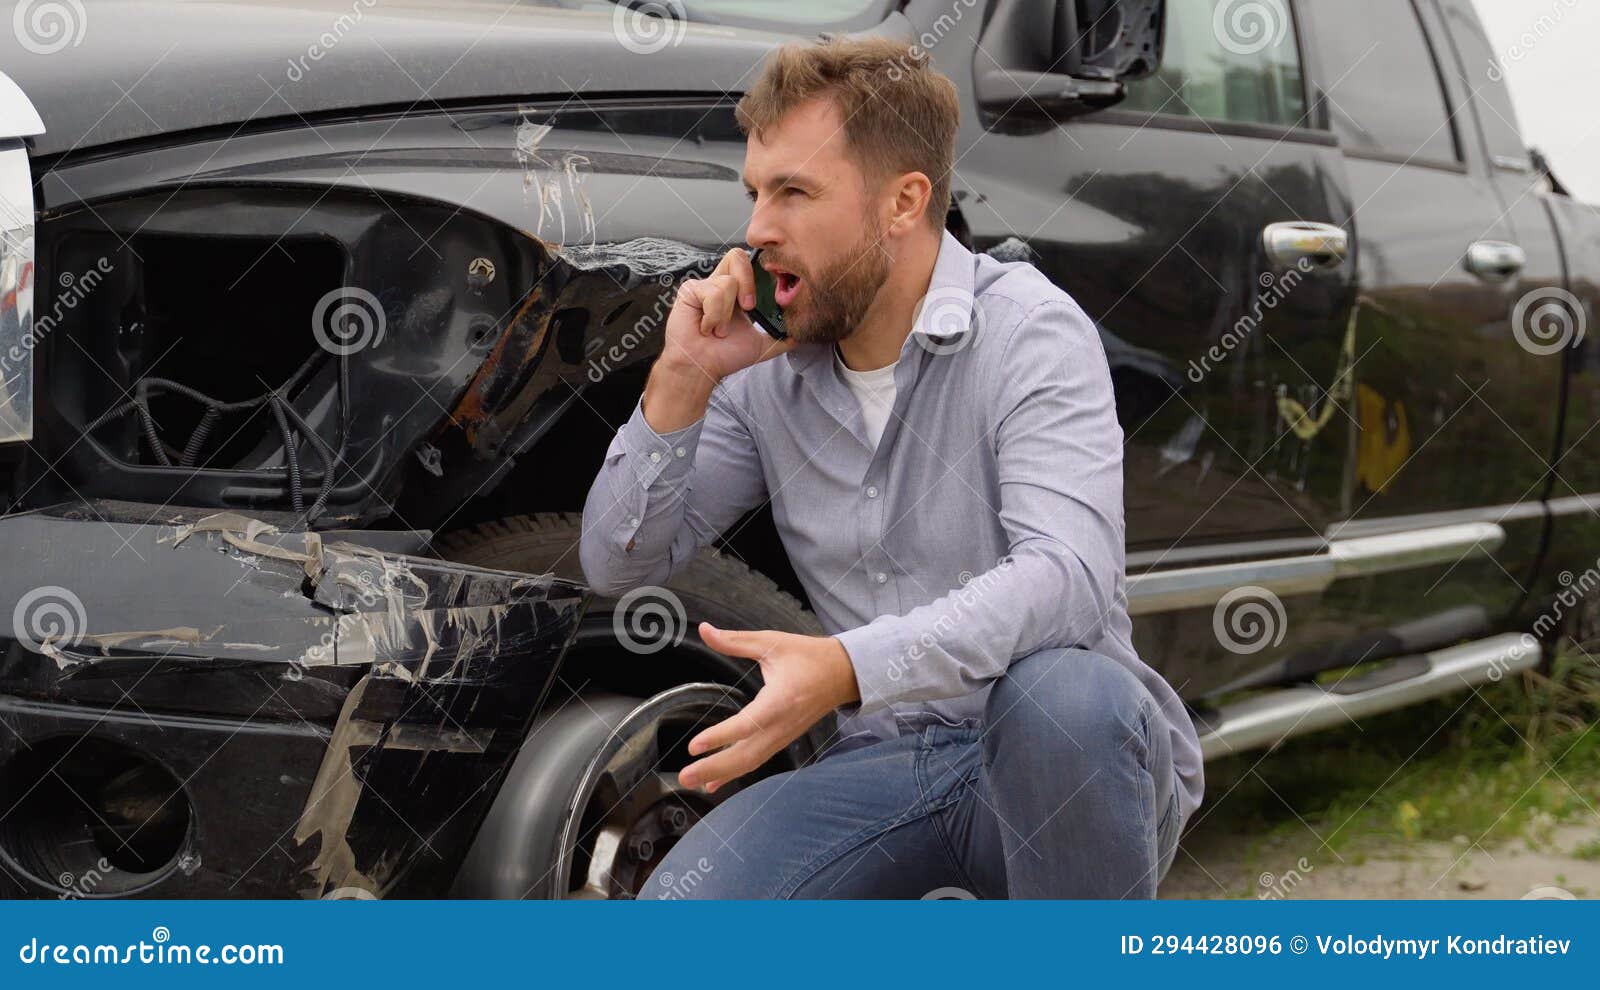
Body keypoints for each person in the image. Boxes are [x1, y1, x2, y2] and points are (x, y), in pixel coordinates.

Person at [578, 35, 1202, 899]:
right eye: (756, 192)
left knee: (1062, 695)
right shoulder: (765, 369)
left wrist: (845, 667)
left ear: (904, 202)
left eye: (795, 191)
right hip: (886, 772)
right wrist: (681, 376)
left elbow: (1067, 580)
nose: (758, 228)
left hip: (1058, 767)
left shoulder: (1030, 333)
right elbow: (619, 563)